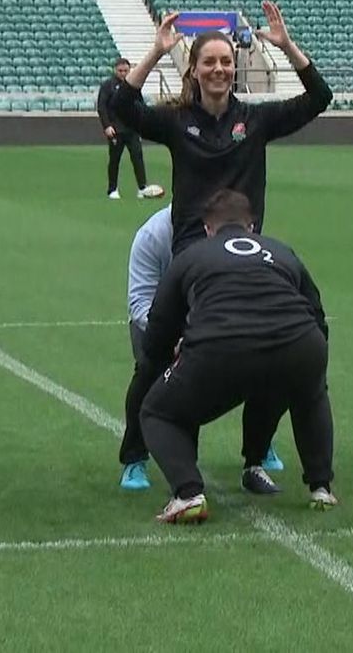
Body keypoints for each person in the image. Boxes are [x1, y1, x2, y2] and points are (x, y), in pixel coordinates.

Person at [140, 190, 336, 523]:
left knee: (157, 411)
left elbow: (159, 326)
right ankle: (321, 488)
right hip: (299, 340)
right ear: (252, 226)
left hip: (219, 346)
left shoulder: (192, 255)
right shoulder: (281, 250)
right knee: (309, 390)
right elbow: (316, 312)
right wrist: (313, 362)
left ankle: (188, 493)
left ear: (207, 229)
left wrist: (167, 360)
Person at [109, 1, 333, 254]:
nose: (218, 69)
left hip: (243, 250)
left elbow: (320, 97)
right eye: (209, 62)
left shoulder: (256, 119)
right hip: (193, 254)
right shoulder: (175, 121)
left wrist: (287, 46)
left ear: (234, 68)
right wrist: (156, 52)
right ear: (194, 70)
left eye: (226, 61)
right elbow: (121, 105)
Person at [117, 204, 284, 494]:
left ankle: (260, 448)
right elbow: (140, 302)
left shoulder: (230, 235)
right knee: (148, 374)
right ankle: (135, 458)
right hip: (157, 324)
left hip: (213, 325)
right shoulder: (152, 237)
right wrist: (176, 334)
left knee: (267, 364)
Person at [97, 57, 157, 200]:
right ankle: (112, 189)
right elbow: (102, 107)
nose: (123, 73)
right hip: (116, 129)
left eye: (125, 70)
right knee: (115, 159)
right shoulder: (108, 85)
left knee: (137, 157)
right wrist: (107, 125)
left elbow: (140, 105)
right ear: (115, 70)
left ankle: (142, 187)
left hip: (132, 128)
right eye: (120, 71)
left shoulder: (133, 86)